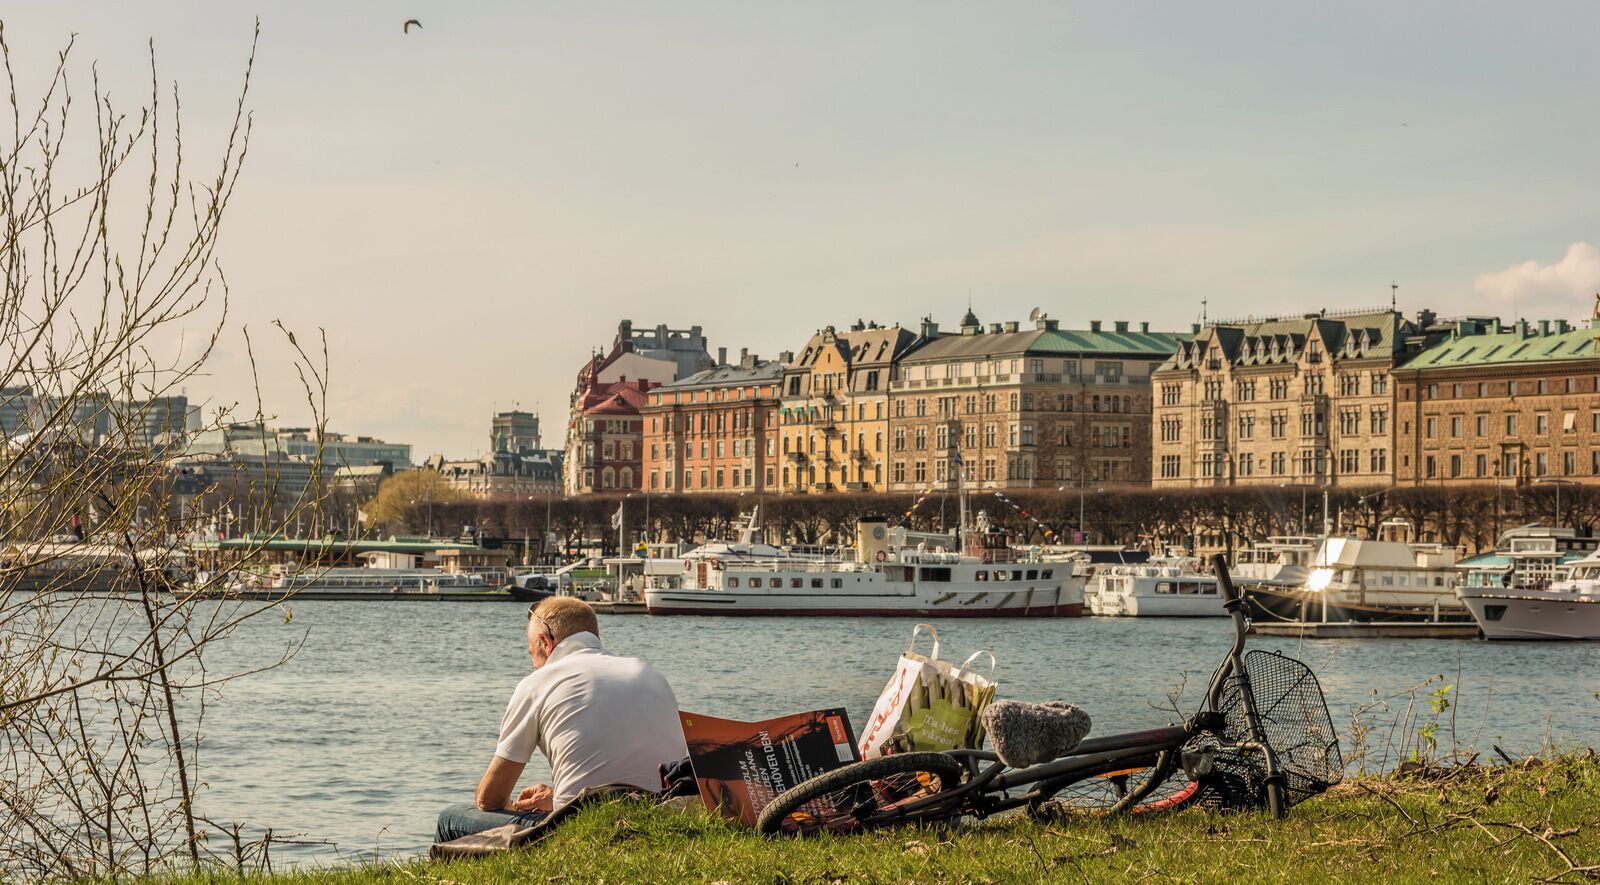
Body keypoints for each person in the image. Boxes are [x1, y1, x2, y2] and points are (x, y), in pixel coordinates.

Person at [434, 597, 687, 843]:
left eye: (532, 653)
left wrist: (516, 809)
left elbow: (489, 799)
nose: (534, 665)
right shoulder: (649, 673)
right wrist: (557, 798)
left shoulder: (538, 683)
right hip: (658, 816)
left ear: (545, 642)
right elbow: (626, 777)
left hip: (576, 829)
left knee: (450, 820)